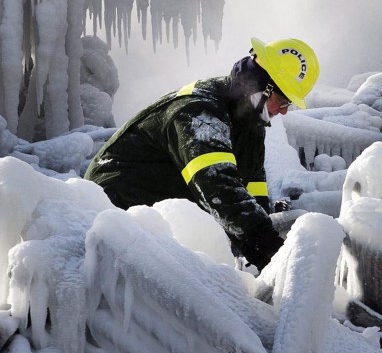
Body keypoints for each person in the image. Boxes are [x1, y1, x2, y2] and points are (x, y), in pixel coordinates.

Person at [85, 37, 319, 270]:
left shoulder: (250, 129)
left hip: (153, 227)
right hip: (105, 215)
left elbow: (251, 197)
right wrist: (276, 256)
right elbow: (219, 187)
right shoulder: (198, 109)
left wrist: (266, 250)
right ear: (261, 87)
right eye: (282, 100)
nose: (284, 111)